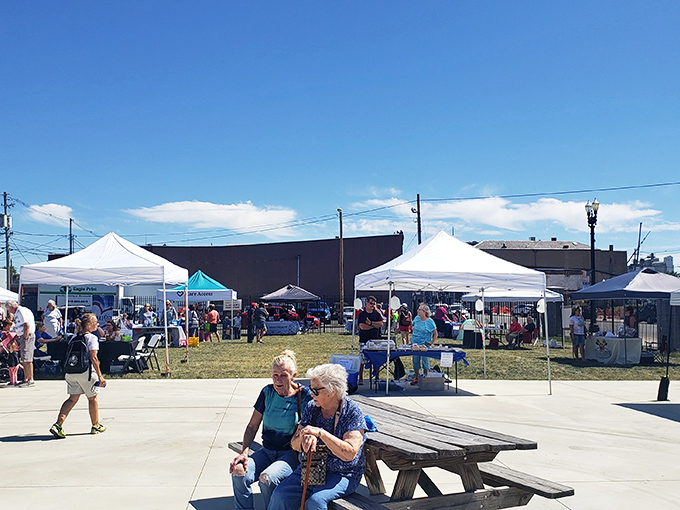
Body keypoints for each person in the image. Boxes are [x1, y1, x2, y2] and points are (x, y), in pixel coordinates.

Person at [269, 363, 367, 510]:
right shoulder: (312, 407)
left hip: (342, 473)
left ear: (331, 390)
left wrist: (321, 433)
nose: (311, 393)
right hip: (312, 467)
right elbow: (294, 444)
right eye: (310, 389)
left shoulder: (352, 412)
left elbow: (349, 453)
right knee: (280, 495)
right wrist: (304, 438)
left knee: (316, 501)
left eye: (315, 390)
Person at [231, 350, 312, 510]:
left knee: (266, 479)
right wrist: (244, 453)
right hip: (267, 451)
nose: (278, 380)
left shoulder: (304, 396)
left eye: (283, 375)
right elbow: (252, 426)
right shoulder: (267, 392)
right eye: (275, 375)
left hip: (290, 454)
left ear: (294, 375)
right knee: (238, 471)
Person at [49, 312, 106, 439]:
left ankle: (58, 424)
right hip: (85, 372)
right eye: (95, 322)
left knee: (72, 399)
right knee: (92, 398)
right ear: (89, 325)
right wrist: (100, 376)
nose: (97, 324)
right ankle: (95, 425)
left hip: (71, 372)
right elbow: (94, 357)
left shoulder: (74, 337)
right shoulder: (91, 338)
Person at [6, 299, 36, 387]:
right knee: (23, 358)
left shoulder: (22, 311)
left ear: (11, 307)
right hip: (22, 336)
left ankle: (30, 379)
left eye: (8, 309)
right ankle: (26, 378)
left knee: (27, 358)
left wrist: (25, 338)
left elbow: (26, 325)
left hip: (27, 336)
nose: (9, 312)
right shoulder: (18, 313)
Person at [356, 296, 383, 383]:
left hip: (375, 340)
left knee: (377, 359)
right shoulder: (362, 314)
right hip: (364, 340)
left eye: (374, 304)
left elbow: (381, 324)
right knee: (362, 360)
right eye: (371, 303)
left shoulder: (377, 314)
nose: (372, 305)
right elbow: (362, 326)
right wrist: (373, 326)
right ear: (366, 303)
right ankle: (360, 377)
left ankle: (377, 377)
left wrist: (371, 323)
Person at [410, 304, 437, 385]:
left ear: (424, 312)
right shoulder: (417, 318)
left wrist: (432, 342)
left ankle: (425, 376)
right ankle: (416, 378)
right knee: (415, 360)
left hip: (424, 344)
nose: (418, 311)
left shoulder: (430, 322)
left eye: (420, 309)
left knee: (425, 360)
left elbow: (435, 334)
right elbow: (412, 325)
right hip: (415, 343)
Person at [2, 318, 20, 386]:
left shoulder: (9, 334)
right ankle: (14, 380)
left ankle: (13, 381)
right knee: (13, 369)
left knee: (12, 369)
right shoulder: (7, 334)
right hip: (12, 354)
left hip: (12, 353)